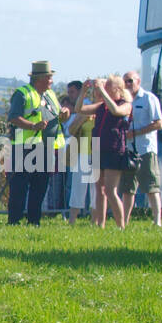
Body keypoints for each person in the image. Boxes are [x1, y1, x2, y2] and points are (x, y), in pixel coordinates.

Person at [6, 61, 67, 225]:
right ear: (39, 78)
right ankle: (14, 221)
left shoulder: (51, 95)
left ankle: (34, 221)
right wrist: (33, 126)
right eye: (49, 77)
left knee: (40, 187)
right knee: (19, 186)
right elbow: (13, 117)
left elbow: (58, 115)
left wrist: (65, 114)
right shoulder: (22, 93)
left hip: (46, 146)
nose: (51, 81)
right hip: (24, 146)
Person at [77, 75, 132, 229]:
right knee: (99, 190)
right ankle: (100, 224)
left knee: (110, 190)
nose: (104, 89)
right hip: (97, 149)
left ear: (118, 90)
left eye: (108, 87)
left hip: (114, 150)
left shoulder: (125, 105)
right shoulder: (102, 106)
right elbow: (79, 109)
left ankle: (121, 225)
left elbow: (116, 111)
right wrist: (83, 92)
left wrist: (101, 89)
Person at [122, 70, 162, 227]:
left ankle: (157, 220)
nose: (127, 84)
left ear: (138, 82)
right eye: (124, 81)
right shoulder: (123, 101)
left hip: (146, 148)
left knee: (151, 186)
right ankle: (124, 222)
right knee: (127, 189)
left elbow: (159, 123)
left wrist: (136, 132)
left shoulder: (149, 98)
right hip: (128, 150)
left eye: (130, 81)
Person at [62, 81, 95, 225]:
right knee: (77, 187)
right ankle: (73, 220)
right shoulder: (78, 108)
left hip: (92, 150)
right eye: (69, 92)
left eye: (72, 92)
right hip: (81, 150)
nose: (70, 95)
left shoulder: (87, 105)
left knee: (93, 189)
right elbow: (70, 129)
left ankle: (92, 220)